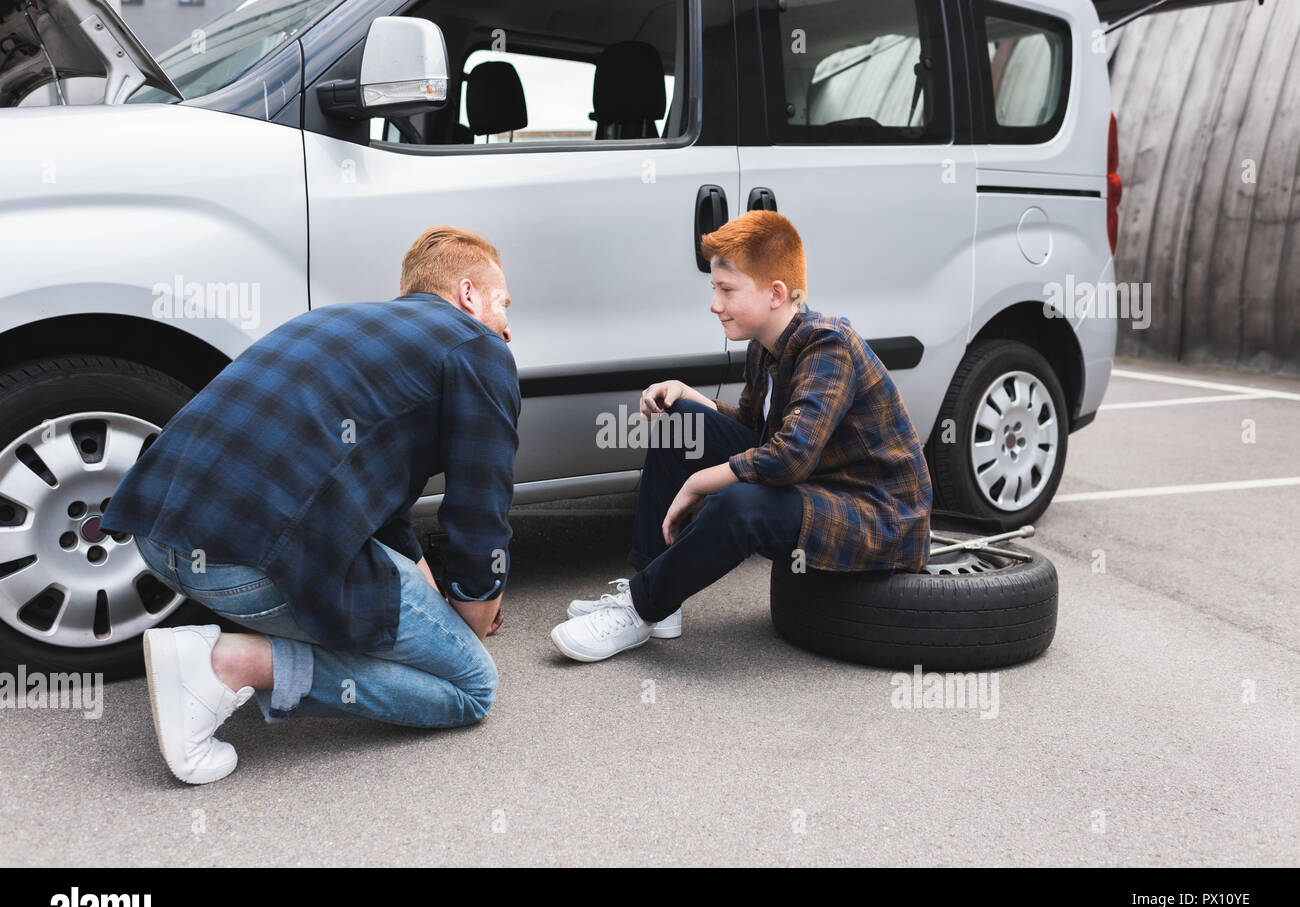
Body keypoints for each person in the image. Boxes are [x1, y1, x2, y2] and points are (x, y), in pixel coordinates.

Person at [99, 226, 520, 784]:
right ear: (469, 294)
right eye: (503, 305)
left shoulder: (336, 321)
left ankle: (227, 657)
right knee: (472, 687)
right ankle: (229, 664)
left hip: (156, 535)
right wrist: (472, 618)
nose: (508, 328)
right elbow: (479, 509)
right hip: (245, 565)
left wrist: (437, 600)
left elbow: (382, 513)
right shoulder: (477, 348)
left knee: (415, 622)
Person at [550, 211, 932, 662]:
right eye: (714, 289)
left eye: (727, 290)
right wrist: (691, 398)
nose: (715, 304)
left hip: (877, 517)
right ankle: (655, 593)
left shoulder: (828, 344)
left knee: (739, 501)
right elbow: (755, 432)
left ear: (774, 293)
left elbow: (790, 457)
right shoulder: (766, 347)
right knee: (681, 425)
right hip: (819, 487)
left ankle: (638, 610)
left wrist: (699, 482)